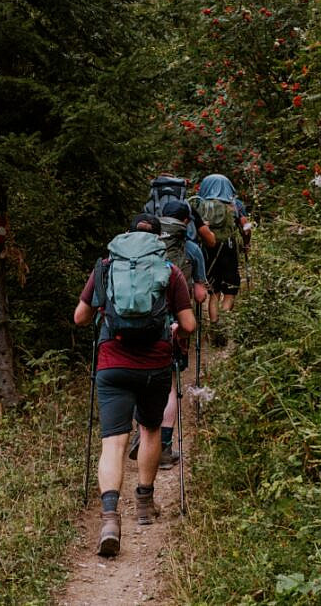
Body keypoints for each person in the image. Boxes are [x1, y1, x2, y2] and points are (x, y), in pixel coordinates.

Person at [74, 213, 196, 557]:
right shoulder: (169, 271)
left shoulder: (105, 267)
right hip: (155, 365)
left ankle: (110, 518)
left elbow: (79, 317)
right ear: (157, 241)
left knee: (112, 443)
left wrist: (105, 313)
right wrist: (175, 331)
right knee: (151, 429)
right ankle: (144, 504)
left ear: (126, 237)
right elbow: (189, 323)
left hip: (112, 363)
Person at [127, 199, 209, 466]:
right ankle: (162, 447)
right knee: (169, 387)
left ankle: (141, 433)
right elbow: (199, 295)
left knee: (137, 381)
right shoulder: (191, 249)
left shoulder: (131, 253)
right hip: (171, 329)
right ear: (186, 222)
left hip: (130, 327)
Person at [191, 174, 251, 345]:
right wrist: (247, 243)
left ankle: (215, 327)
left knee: (214, 292)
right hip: (229, 249)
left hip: (207, 251)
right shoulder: (235, 205)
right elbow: (246, 227)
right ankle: (223, 327)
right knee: (230, 291)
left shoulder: (199, 206)